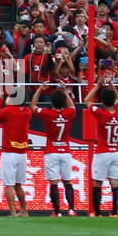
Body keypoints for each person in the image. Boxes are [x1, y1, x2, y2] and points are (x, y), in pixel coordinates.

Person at [0, 90, 38, 217]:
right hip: (22, 153)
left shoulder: (7, 111)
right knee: (18, 185)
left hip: (9, 153)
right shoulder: (27, 112)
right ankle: (24, 210)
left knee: (9, 184)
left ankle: (12, 212)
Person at [84, 81, 118, 217]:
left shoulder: (101, 113)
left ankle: (97, 213)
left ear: (102, 102)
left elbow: (87, 100)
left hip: (103, 152)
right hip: (116, 152)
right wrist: (112, 85)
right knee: (114, 182)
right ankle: (115, 212)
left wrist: (97, 86)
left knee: (98, 182)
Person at [33, 86, 78, 216]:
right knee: (67, 182)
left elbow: (33, 105)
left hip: (51, 151)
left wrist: (40, 90)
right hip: (65, 152)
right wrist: (65, 92)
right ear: (64, 101)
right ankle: (71, 209)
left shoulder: (47, 113)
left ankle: (57, 211)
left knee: (54, 183)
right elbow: (73, 106)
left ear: (51, 102)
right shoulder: (69, 113)